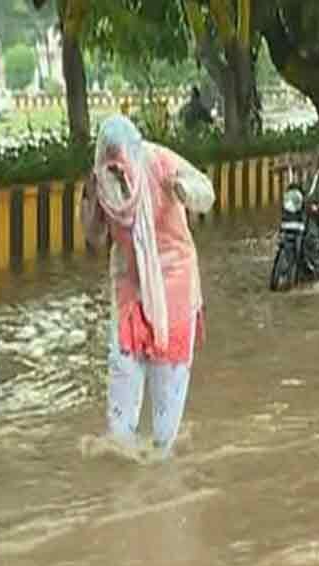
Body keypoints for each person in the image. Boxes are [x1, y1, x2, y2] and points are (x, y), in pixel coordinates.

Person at [81, 115, 215, 458]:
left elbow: (206, 192)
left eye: (121, 162)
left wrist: (185, 190)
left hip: (173, 279)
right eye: (110, 163)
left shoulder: (159, 161)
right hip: (129, 281)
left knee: (166, 378)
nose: (119, 174)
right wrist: (89, 202)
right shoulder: (100, 181)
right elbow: (94, 238)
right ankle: (122, 457)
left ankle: (163, 455)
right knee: (122, 367)